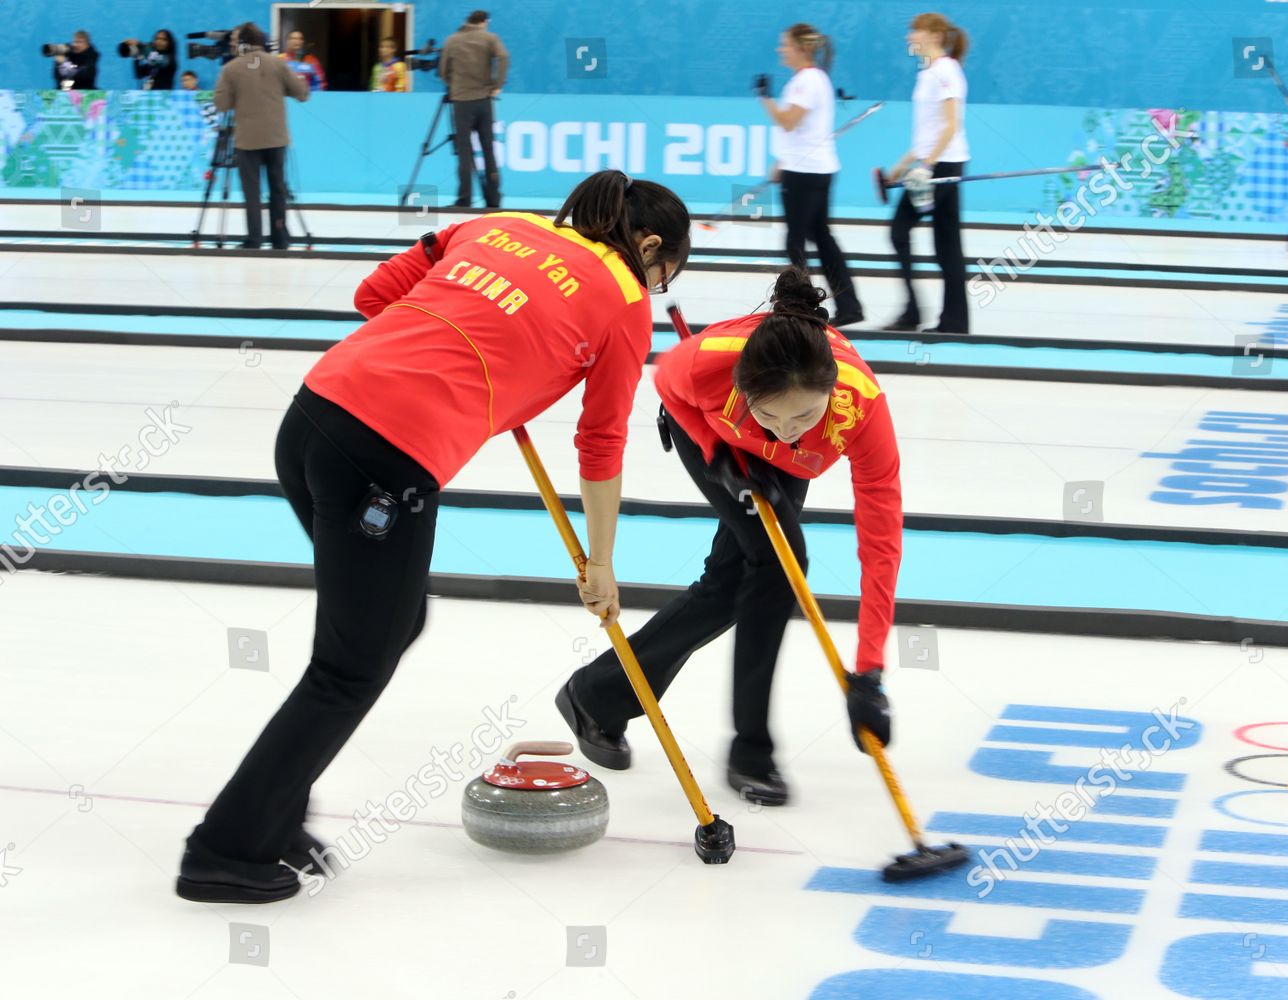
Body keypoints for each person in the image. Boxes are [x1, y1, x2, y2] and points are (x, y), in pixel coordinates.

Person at [176, 170, 692, 903]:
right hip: (387, 462)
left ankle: (273, 817)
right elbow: (601, 440)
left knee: (387, 628)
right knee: (350, 667)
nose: (658, 288)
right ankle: (225, 850)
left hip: (313, 416)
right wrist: (601, 562)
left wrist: (489, 349)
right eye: (666, 275)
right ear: (649, 245)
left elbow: (375, 295)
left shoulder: (498, 224)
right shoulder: (625, 302)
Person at [556, 268, 901, 806]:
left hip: (785, 465)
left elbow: (880, 544)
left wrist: (871, 670)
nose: (788, 428)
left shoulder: (860, 408)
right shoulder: (708, 362)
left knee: (730, 582)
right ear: (744, 389)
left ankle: (598, 692)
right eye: (774, 416)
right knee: (779, 566)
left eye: (805, 415)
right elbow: (667, 383)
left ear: (830, 393)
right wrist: (719, 460)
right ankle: (751, 752)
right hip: (712, 431)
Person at [758, 24, 863, 328]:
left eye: (784, 44)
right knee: (823, 239)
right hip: (813, 168)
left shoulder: (805, 81)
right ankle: (849, 305)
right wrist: (782, 160)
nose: (780, 49)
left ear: (800, 48)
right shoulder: (815, 79)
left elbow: (789, 122)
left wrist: (765, 98)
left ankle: (798, 307)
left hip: (804, 173)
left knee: (795, 242)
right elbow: (803, 131)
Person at [885, 12, 970, 334]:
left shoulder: (947, 70)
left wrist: (924, 167)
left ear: (934, 34)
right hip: (934, 164)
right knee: (946, 243)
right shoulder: (928, 73)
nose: (909, 37)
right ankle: (954, 322)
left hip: (942, 168)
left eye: (914, 31)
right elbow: (928, 134)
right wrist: (902, 165)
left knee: (899, 230)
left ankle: (913, 314)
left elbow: (952, 125)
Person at [213, 23, 310, 251]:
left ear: (241, 43)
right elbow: (301, 93)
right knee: (277, 188)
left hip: (247, 140)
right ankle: (280, 238)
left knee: (252, 191)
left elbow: (221, 104)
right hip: (276, 138)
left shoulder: (231, 68)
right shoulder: (278, 64)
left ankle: (254, 239)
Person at [440, 10, 509, 209]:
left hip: (461, 101)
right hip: (484, 101)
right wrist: (497, 84)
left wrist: (455, 85)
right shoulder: (490, 38)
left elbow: (443, 71)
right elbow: (504, 56)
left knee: (464, 151)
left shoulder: (452, 40)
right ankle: (493, 199)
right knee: (488, 150)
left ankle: (465, 199)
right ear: (484, 22)